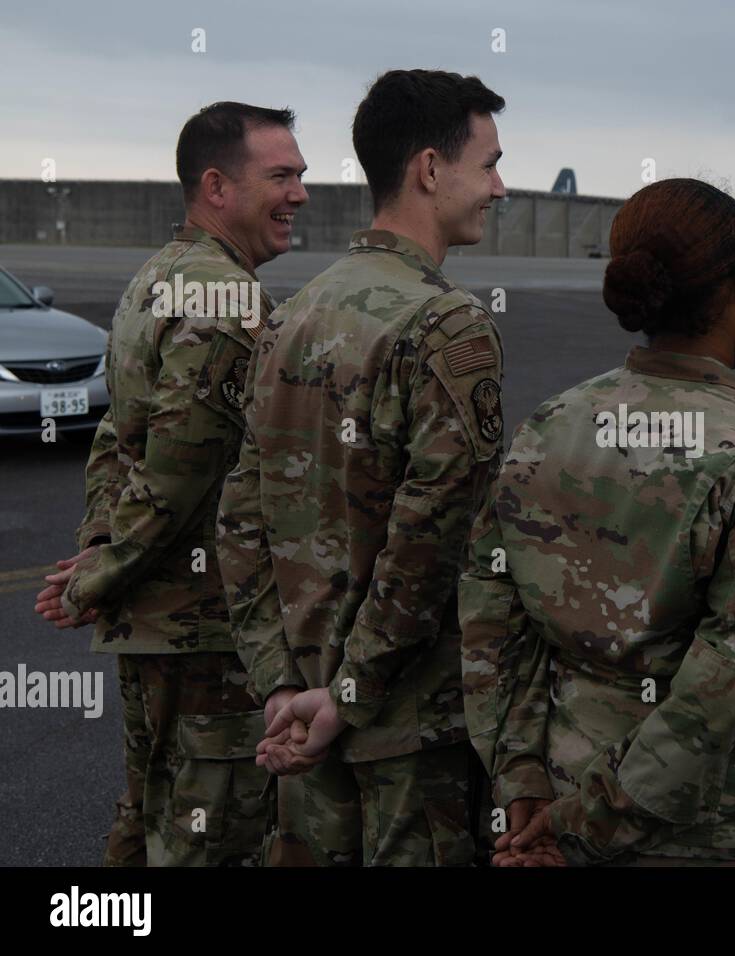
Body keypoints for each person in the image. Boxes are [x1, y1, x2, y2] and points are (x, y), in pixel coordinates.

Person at [460, 178, 735, 867]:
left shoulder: (551, 425)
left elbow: (490, 620)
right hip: (718, 833)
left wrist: (524, 790)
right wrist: (584, 823)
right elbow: (725, 689)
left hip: (560, 799)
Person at [215, 69, 506, 867]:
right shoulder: (448, 324)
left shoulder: (293, 312)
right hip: (405, 729)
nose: (500, 187)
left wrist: (282, 684)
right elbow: (432, 540)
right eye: (488, 165)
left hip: (303, 720)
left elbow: (241, 517)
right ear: (429, 169)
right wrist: (352, 695)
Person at [34, 101, 307, 866]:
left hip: (154, 621)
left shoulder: (156, 275)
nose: (301, 194)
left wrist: (99, 553)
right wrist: (99, 572)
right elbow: (178, 469)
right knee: (207, 836)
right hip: (207, 630)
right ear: (216, 186)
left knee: (147, 812)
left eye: (301, 175)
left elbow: (114, 442)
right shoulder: (229, 299)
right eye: (280, 176)